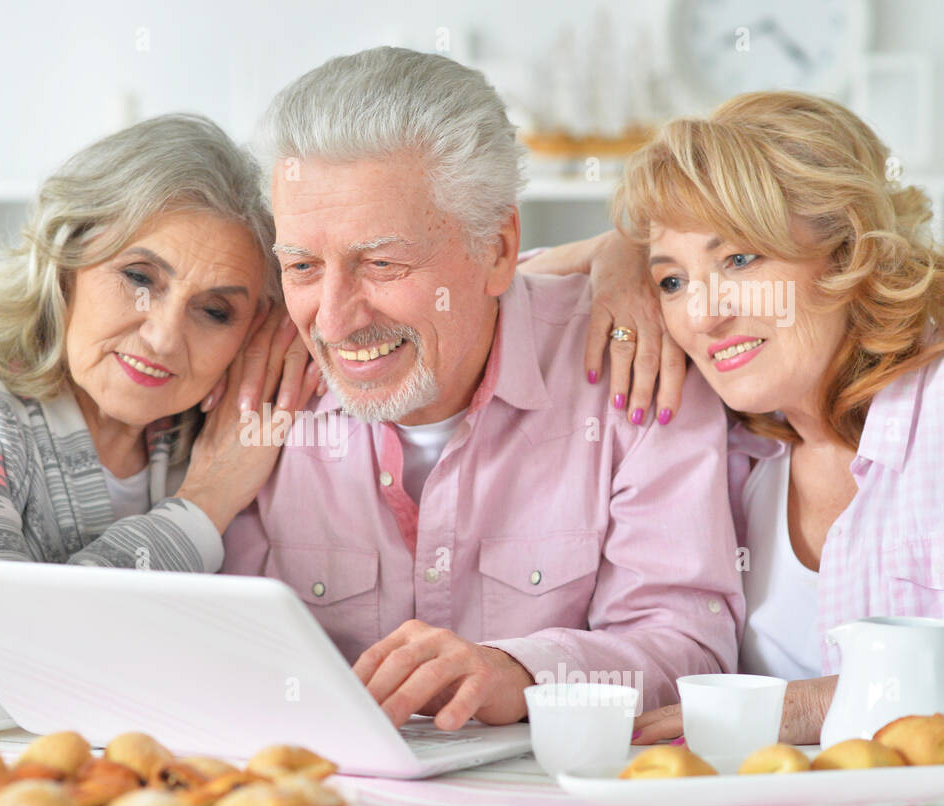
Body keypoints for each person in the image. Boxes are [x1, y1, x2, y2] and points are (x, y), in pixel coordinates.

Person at [221, 47, 746, 730]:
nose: (333, 318)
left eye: (381, 262)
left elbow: (693, 646)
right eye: (301, 265)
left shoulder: (634, 361)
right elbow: (222, 642)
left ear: (497, 251)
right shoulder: (261, 380)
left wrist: (523, 673)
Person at [0, 114, 319, 691]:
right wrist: (206, 503)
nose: (163, 337)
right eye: (139, 277)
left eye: (214, 312)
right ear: (66, 258)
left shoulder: (201, 427)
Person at [591, 91, 944, 745]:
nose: (702, 315)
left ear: (848, 248)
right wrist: (608, 261)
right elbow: (485, 284)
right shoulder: (729, 442)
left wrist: (806, 708)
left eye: (739, 259)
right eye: (671, 281)